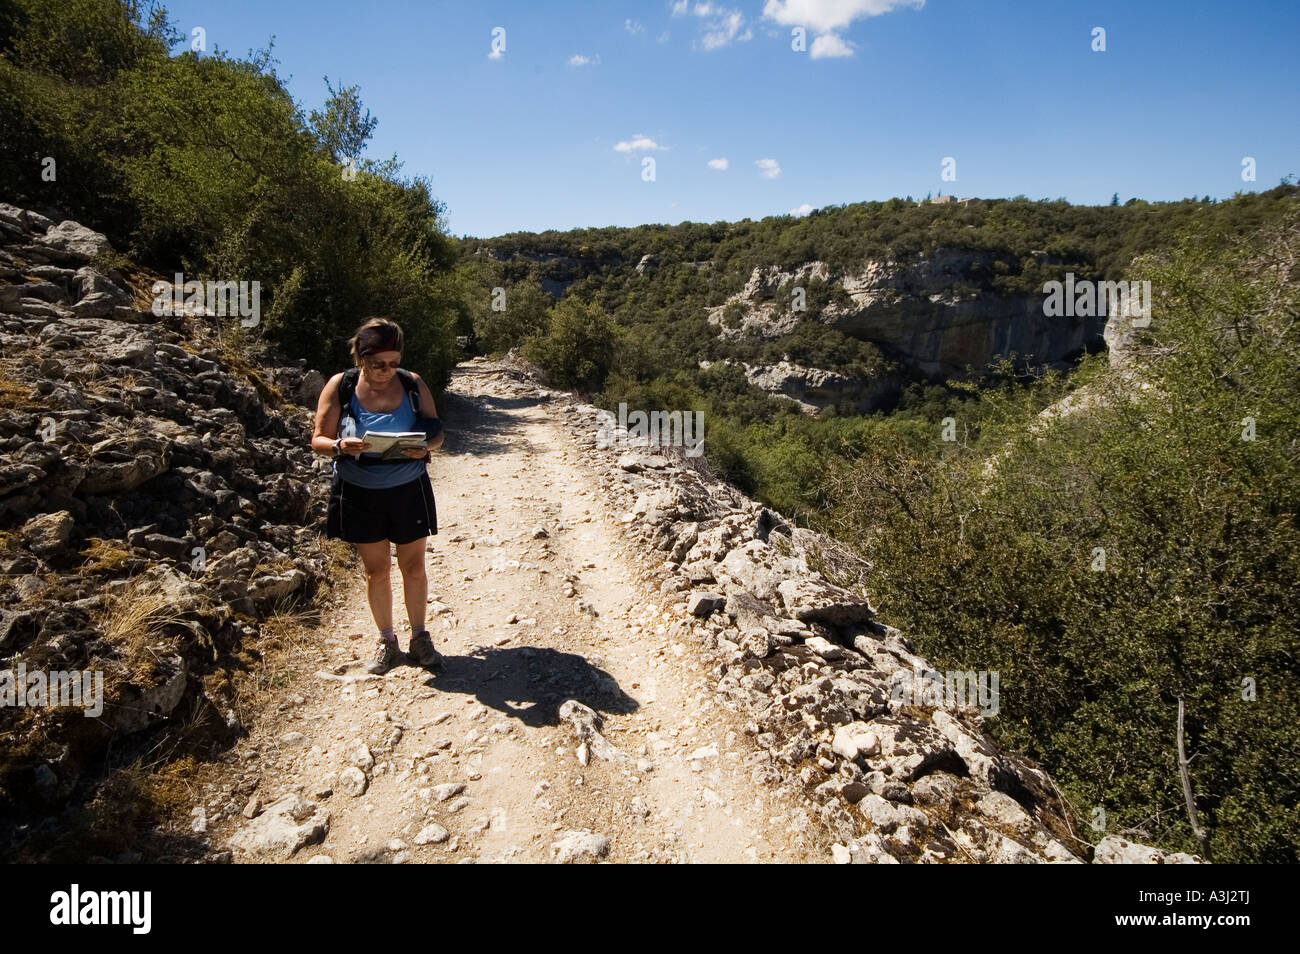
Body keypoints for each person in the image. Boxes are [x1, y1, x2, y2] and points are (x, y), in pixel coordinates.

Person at [312, 317, 445, 674]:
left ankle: (420, 637)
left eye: (393, 363)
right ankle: (387, 640)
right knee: (376, 571)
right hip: (360, 490)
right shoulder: (340, 386)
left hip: (408, 487)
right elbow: (318, 440)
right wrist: (341, 445)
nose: (387, 370)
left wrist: (426, 446)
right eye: (377, 364)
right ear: (361, 357)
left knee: (414, 567)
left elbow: (435, 430)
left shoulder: (412, 383)